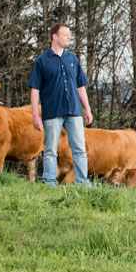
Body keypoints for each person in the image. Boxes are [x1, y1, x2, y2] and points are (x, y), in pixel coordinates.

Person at [28, 23, 94, 187]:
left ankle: (82, 182)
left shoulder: (72, 59)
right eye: (65, 35)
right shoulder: (42, 61)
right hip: (52, 111)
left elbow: (80, 86)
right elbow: (35, 89)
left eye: (69, 35)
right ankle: (50, 182)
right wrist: (35, 115)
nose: (69, 38)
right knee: (50, 149)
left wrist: (87, 108)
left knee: (79, 148)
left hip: (74, 111)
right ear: (55, 37)